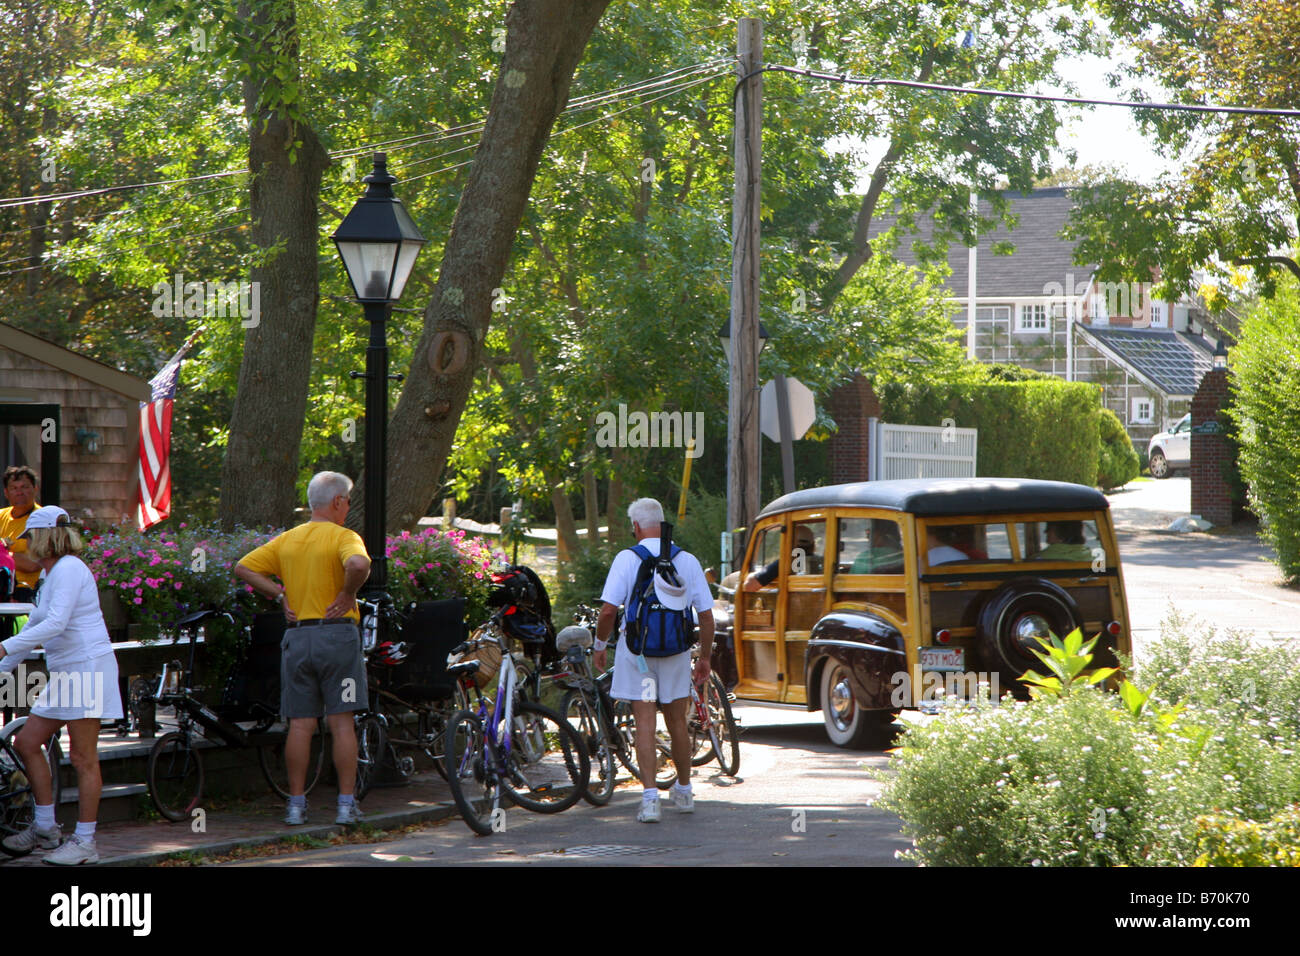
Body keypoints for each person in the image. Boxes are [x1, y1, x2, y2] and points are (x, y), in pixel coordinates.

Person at [234, 472, 371, 826]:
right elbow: (358, 564)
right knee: (342, 723)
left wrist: (279, 594)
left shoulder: (288, 540)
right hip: (338, 638)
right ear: (338, 502)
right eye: (348, 501)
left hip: (297, 639)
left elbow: (243, 567)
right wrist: (347, 593)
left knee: (300, 725)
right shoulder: (345, 536)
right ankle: (345, 805)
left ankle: (295, 805)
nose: (349, 507)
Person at [0, 506, 124, 865]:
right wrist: (3, 665)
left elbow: (54, 625)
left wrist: (4, 647)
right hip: (68, 673)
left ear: (45, 538)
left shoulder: (69, 569)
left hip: (86, 669)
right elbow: (31, 631)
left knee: (84, 757)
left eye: (29, 539)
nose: (25, 548)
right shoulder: (50, 576)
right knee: (26, 741)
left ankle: (85, 843)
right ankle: (45, 829)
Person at [593, 498, 714, 822]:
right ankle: (685, 792)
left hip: (638, 655)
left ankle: (650, 800)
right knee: (677, 723)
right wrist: (704, 657)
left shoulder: (627, 559)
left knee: (645, 724)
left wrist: (599, 644)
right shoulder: (686, 560)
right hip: (675, 653)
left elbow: (608, 611)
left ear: (636, 526)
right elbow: (705, 615)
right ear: (662, 524)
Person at [0, 466, 42, 603]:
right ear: (6, 492)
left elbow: (33, 564)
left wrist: (4, 555)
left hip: (29, 592)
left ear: (36, 488)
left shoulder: (42, 519)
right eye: (14, 488)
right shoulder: (1, 516)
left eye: (24, 487)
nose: (19, 492)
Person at [743, 523, 817, 591]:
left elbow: (749, 586)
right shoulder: (819, 562)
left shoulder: (785, 563)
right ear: (813, 544)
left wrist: (752, 575)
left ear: (789, 542)